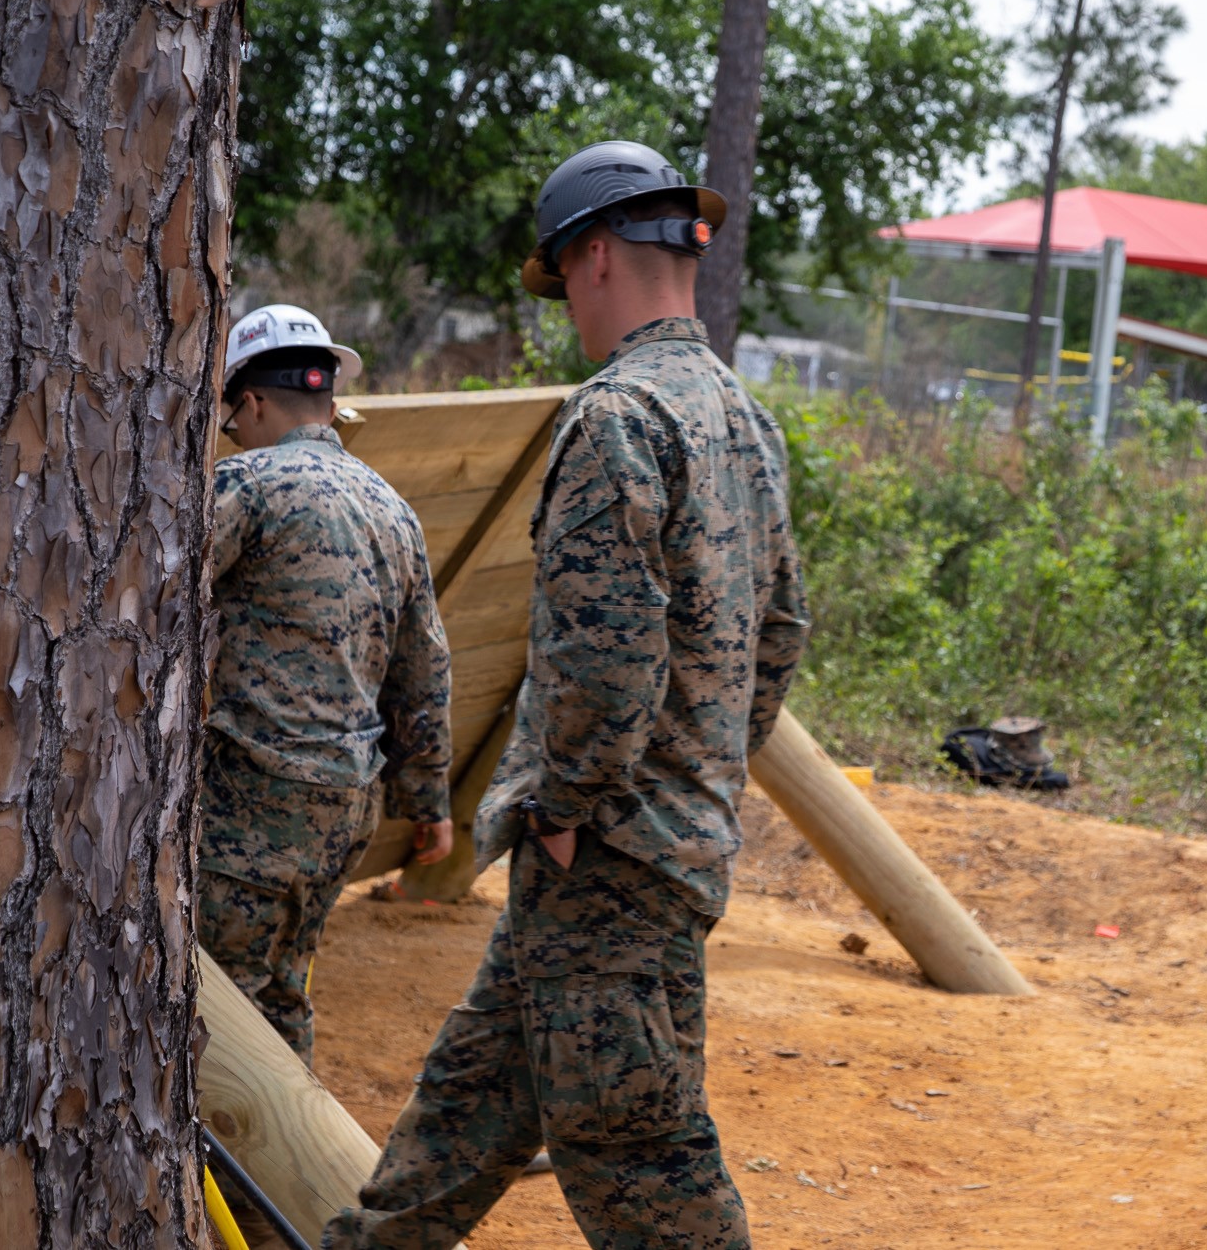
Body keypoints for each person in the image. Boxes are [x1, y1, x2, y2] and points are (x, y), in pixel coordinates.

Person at [324, 141, 809, 1250]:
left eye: (561, 283)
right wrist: (702, 772)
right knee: (474, 1101)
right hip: (657, 841)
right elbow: (779, 630)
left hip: (607, 856)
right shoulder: (742, 417)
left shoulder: (617, 416)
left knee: (635, 1150)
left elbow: (605, 654)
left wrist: (561, 806)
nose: (566, 314)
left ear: (593, 256)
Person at [205, 305, 453, 1065]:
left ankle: (210, 1180)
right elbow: (425, 671)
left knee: (215, 1009)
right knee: (283, 991)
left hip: (248, 805)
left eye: (229, 418)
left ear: (251, 402)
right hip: (345, 811)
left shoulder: (244, 484)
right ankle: (282, 1181)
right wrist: (431, 803)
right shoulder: (392, 508)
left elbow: (141, 604)